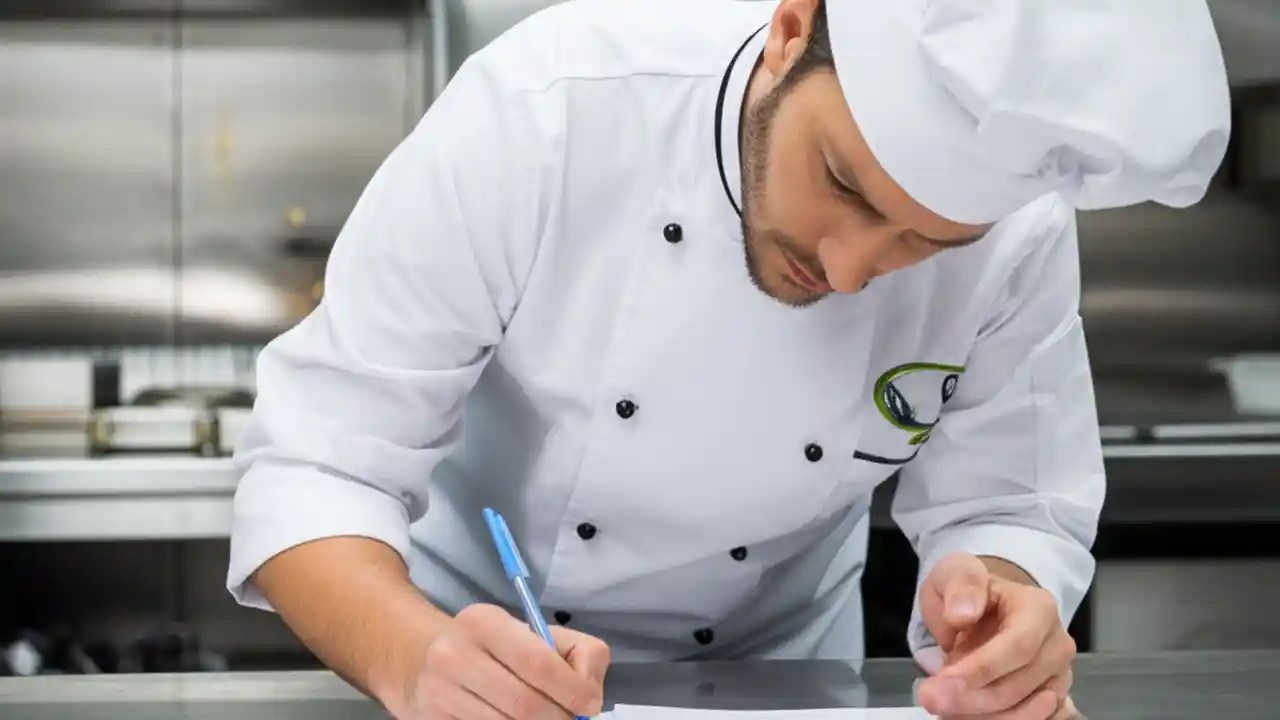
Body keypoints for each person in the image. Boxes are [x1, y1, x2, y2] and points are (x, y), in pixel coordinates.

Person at [226, 1, 1230, 718]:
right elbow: (318, 467)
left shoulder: (1015, 238)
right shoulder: (551, 106)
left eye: (922, 245)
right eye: (841, 182)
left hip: (784, 686)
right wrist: (414, 658)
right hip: (458, 664)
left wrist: (995, 611)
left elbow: (1008, 504)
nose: (845, 272)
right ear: (792, 28)